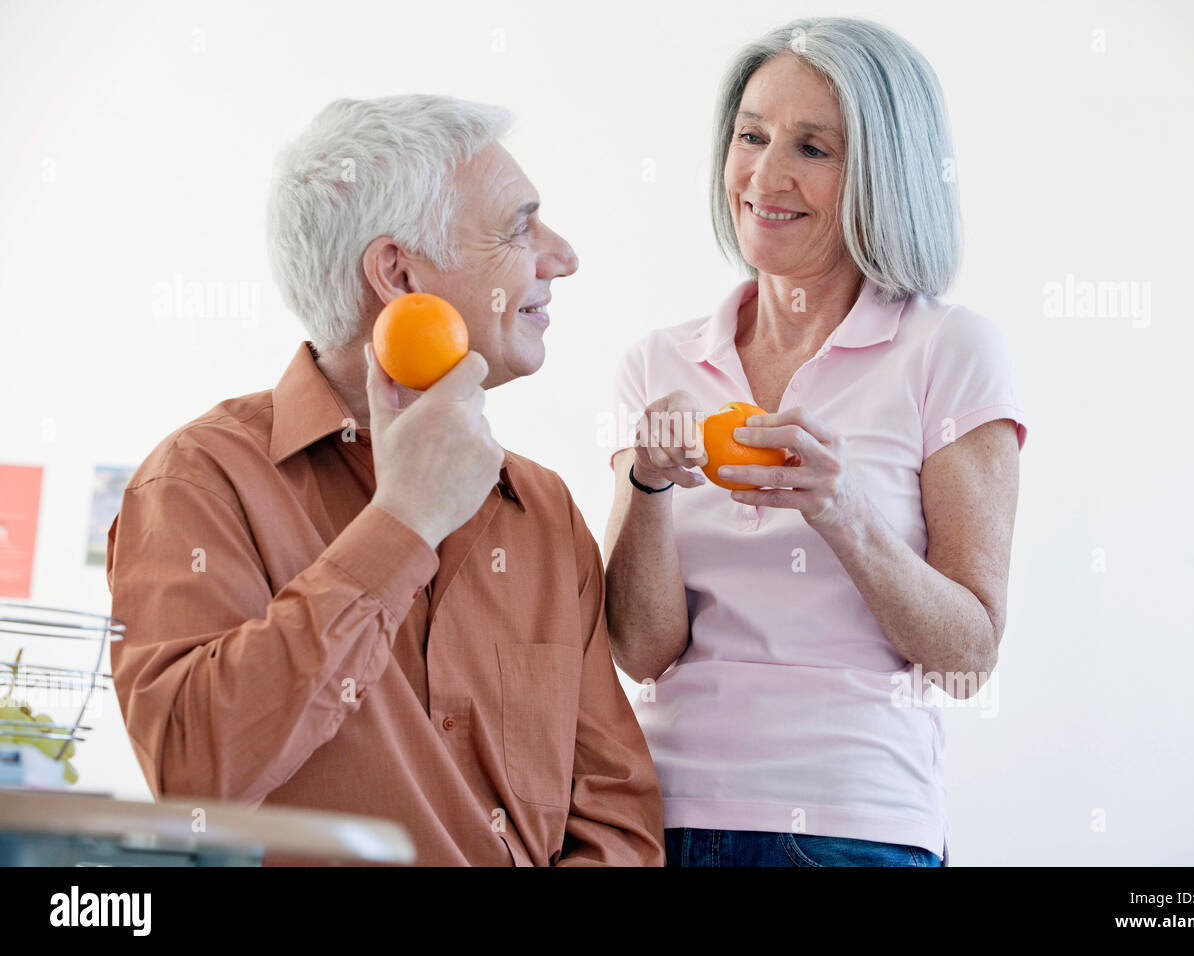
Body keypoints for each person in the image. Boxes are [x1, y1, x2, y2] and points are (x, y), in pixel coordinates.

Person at [107, 94, 664, 866]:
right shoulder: (198, 484)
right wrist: (402, 523)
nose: (562, 254)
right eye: (517, 227)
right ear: (399, 274)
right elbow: (192, 771)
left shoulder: (543, 512)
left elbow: (618, 824)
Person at [604, 17, 1028, 867]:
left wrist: (842, 510)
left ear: (885, 174)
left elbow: (966, 660)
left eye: (814, 149)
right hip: (663, 816)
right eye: (751, 136)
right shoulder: (659, 363)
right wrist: (648, 487)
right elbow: (643, 651)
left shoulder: (948, 351)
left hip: (853, 825)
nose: (766, 175)